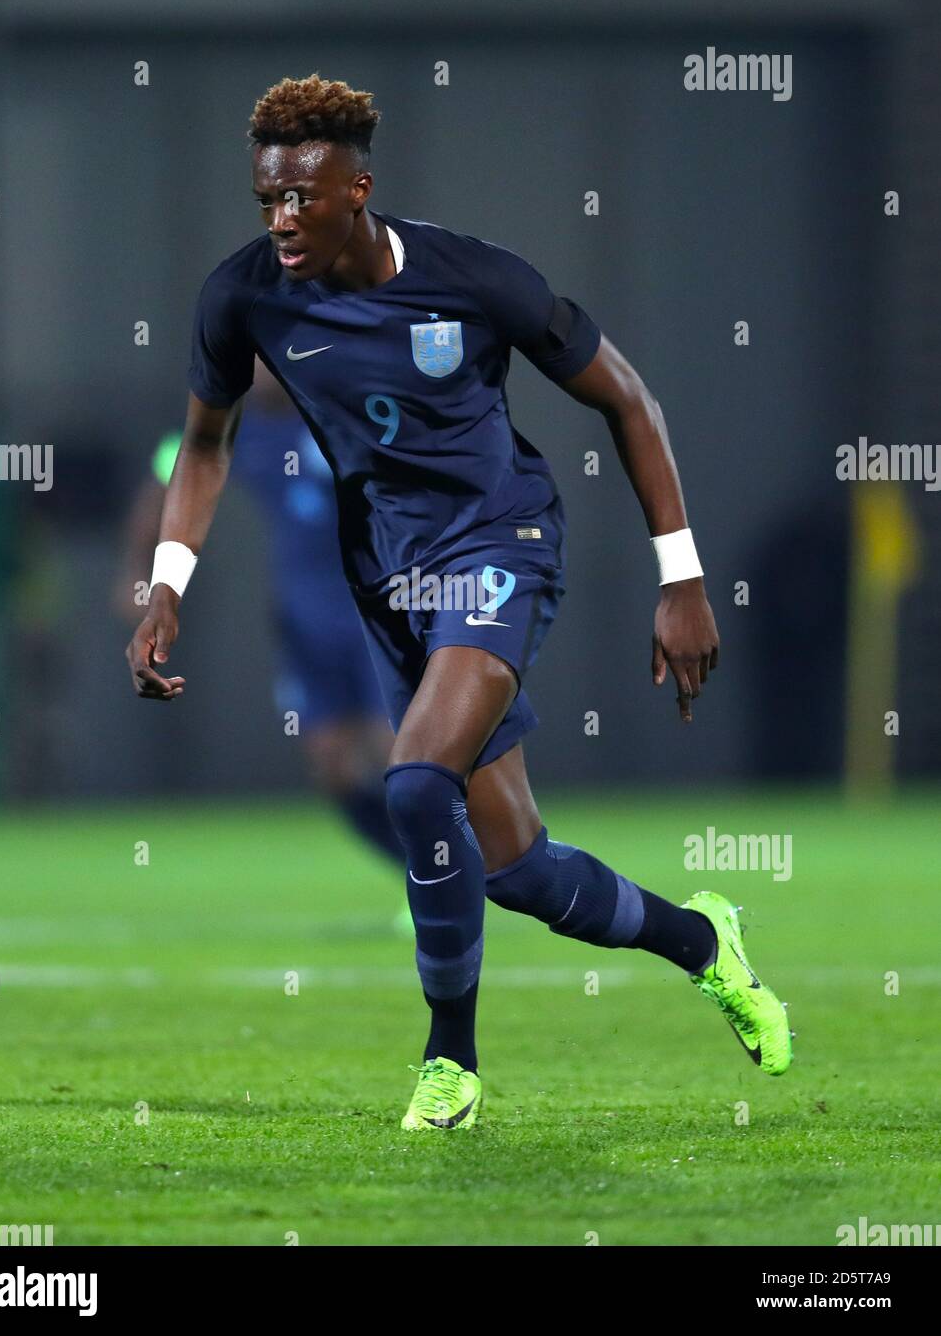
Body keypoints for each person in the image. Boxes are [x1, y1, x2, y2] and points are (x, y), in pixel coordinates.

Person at [126, 73, 792, 1132]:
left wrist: (682, 576)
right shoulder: (243, 294)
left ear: (359, 188)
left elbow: (627, 398)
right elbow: (204, 445)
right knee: (516, 869)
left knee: (412, 781)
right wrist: (165, 588)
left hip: (498, 545)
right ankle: (703, 941)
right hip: (385, 575)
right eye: (266, 201)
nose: (282, 222)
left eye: (302, 199)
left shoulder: (474, 279)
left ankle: (449, 1059)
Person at [116, 359, 408, 922]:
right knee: (332, 766)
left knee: (396, 753)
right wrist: (138, 570)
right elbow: (164, 478)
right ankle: (418, 872)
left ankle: (443, 879)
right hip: (304, 617)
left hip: (378, 611)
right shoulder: (230, 425)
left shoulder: (345, 409)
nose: (258, 370)